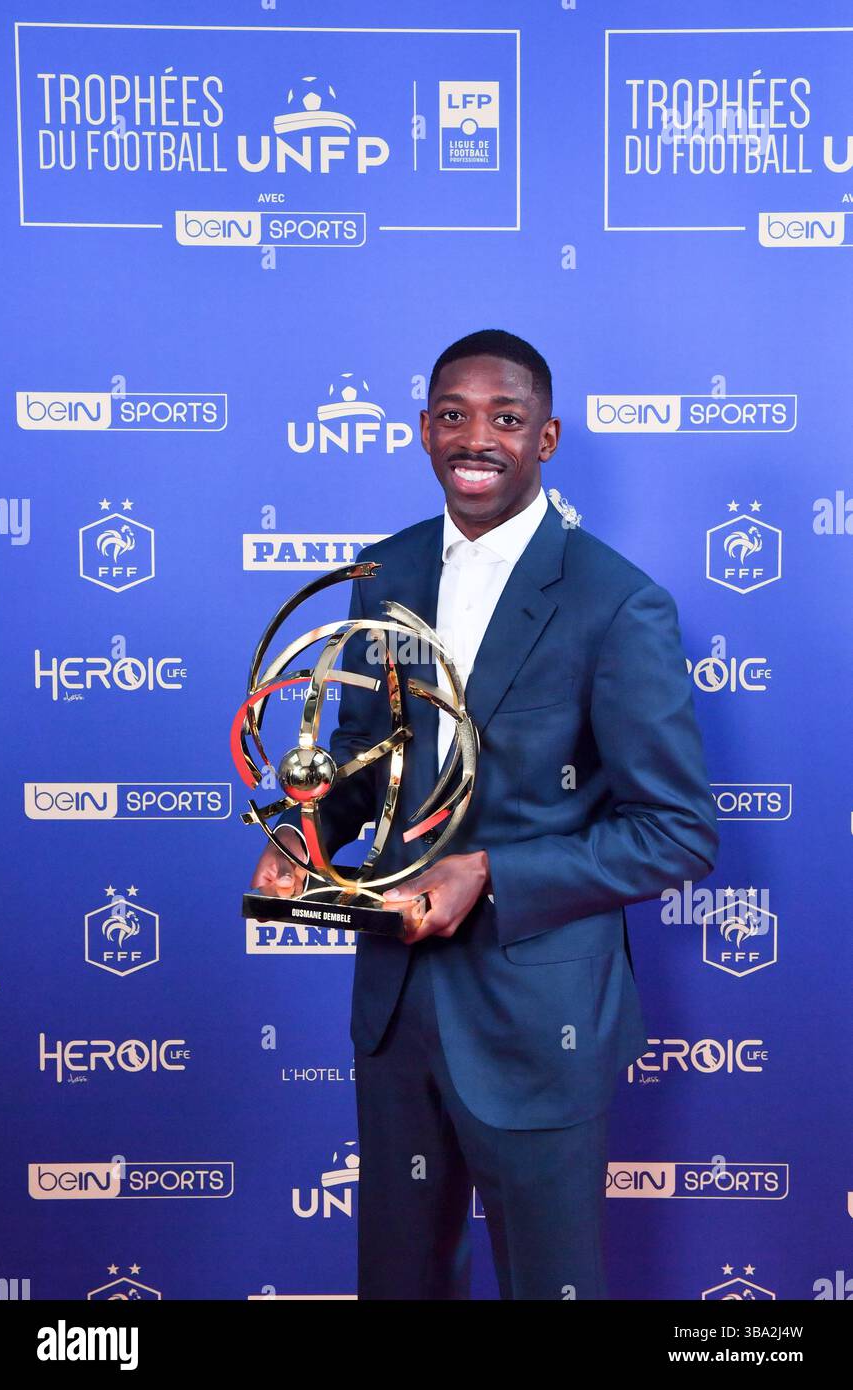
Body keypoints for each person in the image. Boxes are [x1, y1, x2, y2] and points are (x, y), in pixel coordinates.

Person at [251, 329, 718, 1300]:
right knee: (398, 1282)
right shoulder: (381, 571)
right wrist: (304, 830)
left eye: (504, 418)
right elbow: (355, 764)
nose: (476, 438)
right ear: (423, 431)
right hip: (395, 1005)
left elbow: (674, 831)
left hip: (535, 1017)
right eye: (453, 416)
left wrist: (490, 870)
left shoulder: (616, 601)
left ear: (544, 439)